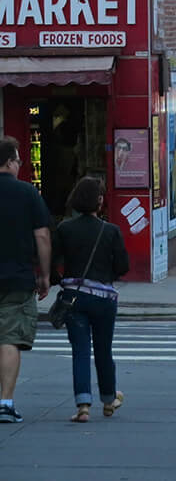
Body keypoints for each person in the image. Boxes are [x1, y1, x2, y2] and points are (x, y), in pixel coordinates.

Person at [51, 176, 129, 422]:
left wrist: (56, 279)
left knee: (81, 351)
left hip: (75, 297)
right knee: (104, 350)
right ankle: (108, 399)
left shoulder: (65, 228)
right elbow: (123, 265)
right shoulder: (111, 231)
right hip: (104, 299)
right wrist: (108, 276)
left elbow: (53, 259)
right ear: (99, 201)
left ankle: (83, 404)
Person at [0, 136, 50, 424]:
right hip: (16, 279)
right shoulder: (27, 194)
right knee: (8, 339)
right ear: (9, 161)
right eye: (18, 160)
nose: (20, 164)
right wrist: (43, 276)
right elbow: (42, 235)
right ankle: (5, 403)